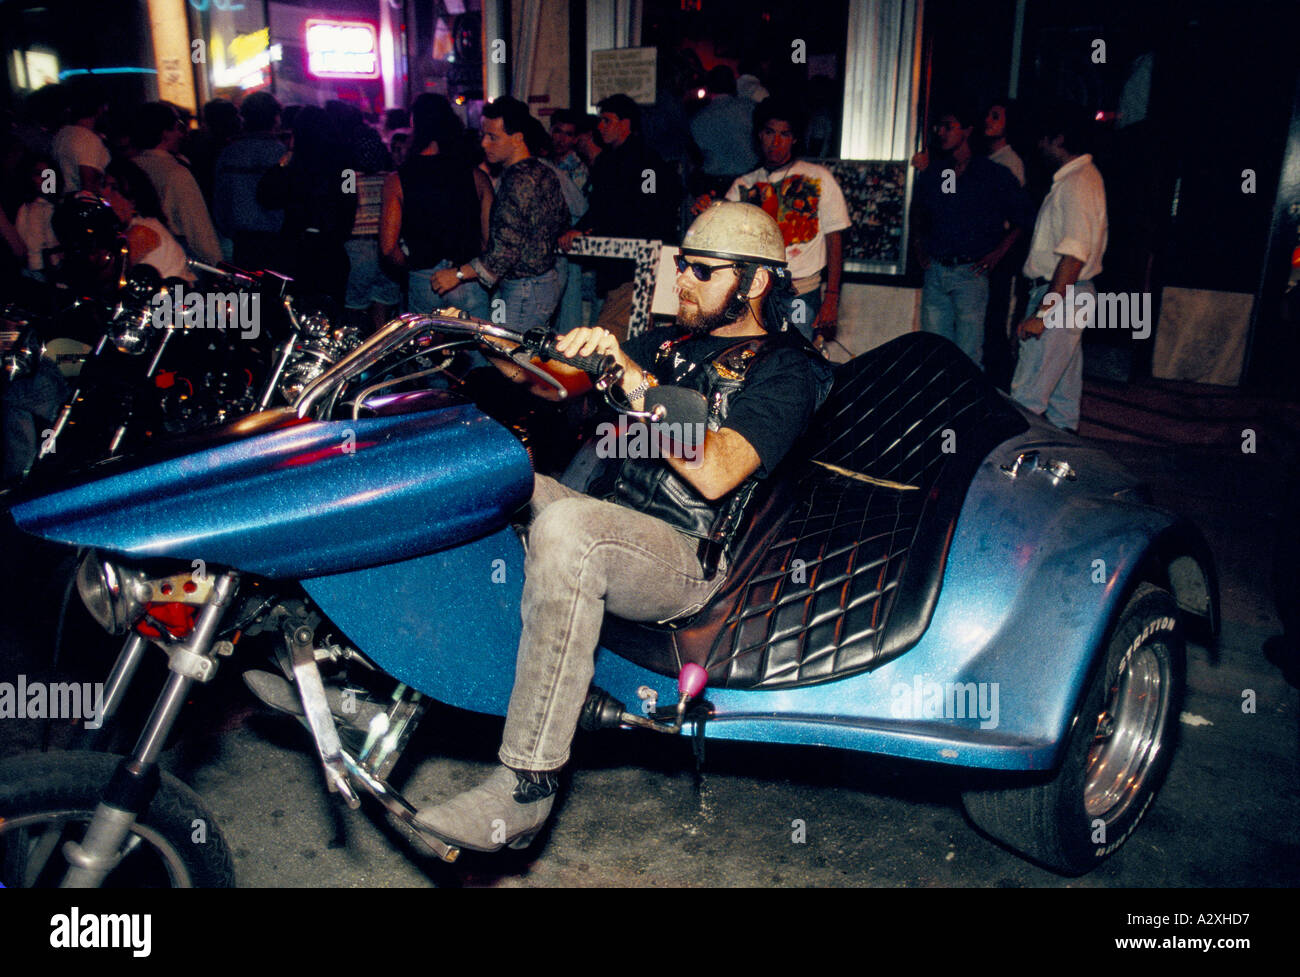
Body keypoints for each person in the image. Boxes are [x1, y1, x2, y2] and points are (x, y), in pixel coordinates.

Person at [414, 202, 827, 852]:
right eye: (680, 264)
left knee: (572, 529)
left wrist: (633, 380)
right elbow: (555, 387)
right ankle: (359, 667)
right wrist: (491, 345)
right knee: (468, 474)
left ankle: (527, 780)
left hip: (689, 557)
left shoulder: (786, 368)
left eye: (702, 270)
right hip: (608, 517)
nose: (682, 280)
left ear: (754, 283)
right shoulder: (667, 342)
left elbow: (719, 470)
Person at [910, 104, 1034, 368]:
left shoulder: (992, 173)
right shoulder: (943, 171)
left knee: (968, 352)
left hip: (970, 272)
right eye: (938, 127)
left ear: (967, 131)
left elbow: (1022, 219)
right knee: (934, 350)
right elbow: (924, 210)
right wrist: (920, 244)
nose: (941, 133)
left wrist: (997, 253)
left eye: (948, 126)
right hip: (937, 269)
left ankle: (967, 405)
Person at [430, 97, 569, 332]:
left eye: (493, 137)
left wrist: (457, 274)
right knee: (524, 359)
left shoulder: (518, 180)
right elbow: (562, 219)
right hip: (545, 282)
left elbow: (504, 252)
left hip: (525, 289)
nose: (484, 144)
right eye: (483, 136)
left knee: (511, 363)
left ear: (517, 139)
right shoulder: (543, 171)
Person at [1011, 104, 1108, 433]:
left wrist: (1043, 313)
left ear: (1059, 139)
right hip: (1073, 295)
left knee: (1028, 396)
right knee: (1062, 400)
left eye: (1044, 140)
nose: (1040, 146)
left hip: (1062, 294)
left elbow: (1073, 255)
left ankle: (1015, 475)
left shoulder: (1076, 183)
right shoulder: (1082, 178)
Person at [725, 96, 850, 345]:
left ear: (794, 138)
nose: (776, 142)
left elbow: (835, 238)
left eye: (784, 134)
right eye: (770, 132)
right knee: (753, 364)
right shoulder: (743, 185)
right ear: (759, 135)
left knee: (798, 362)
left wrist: (832, 298)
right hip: (755, 296)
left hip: (801, 295)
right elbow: (722, 234)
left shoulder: (818, 178)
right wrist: (706, 209)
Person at [560, 94, 679, 340]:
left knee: (609, 336)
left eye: (607, 120)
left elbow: (652, 207)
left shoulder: (648, 163)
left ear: (626, 124)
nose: (600, 127)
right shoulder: (607, 161)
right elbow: (599, 208)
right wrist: (582, 230)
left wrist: (595, 230)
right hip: (620, 265)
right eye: (600, 121)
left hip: (640, 266)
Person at [381, 93, 491, 318]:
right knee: (479, 349)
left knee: (426, 348)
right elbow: (490, 241)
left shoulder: (397, 180)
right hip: (466, 275)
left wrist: (413, 266)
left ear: (414, 123)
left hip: (424, 277)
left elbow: (387, 247)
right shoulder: (477, 176)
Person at [257, 105, 357, 304]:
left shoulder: (294, 167)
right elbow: (350, 202)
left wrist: (284, 161)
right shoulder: (345, 166)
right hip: (331, 250)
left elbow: (265, 196)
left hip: (294, 250)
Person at [130, 102, 223, 265]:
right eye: (176, 128)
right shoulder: (176, 172)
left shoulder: (130, 167)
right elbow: (197, 227)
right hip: (172, 256)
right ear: (164, 133)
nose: (181, 134)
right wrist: (217, 263)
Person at [213, 92, 286, 273]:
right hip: (277, 239)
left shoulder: (229, 153)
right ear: (275, 118)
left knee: (248, 295)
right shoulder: (282, 154)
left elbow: (220, 199)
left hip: (242, 239)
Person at [102, 157, 195, 281]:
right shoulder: (140, 225)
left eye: (114, 188)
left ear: (132, 198)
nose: (104, 193)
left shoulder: (141, 231)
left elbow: (108, 274)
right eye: (104, 186)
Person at [52, 79, 109, 195]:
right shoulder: (88, 139)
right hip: (83, 206)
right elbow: (88, 185)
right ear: (100, 107)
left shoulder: (62, 134)